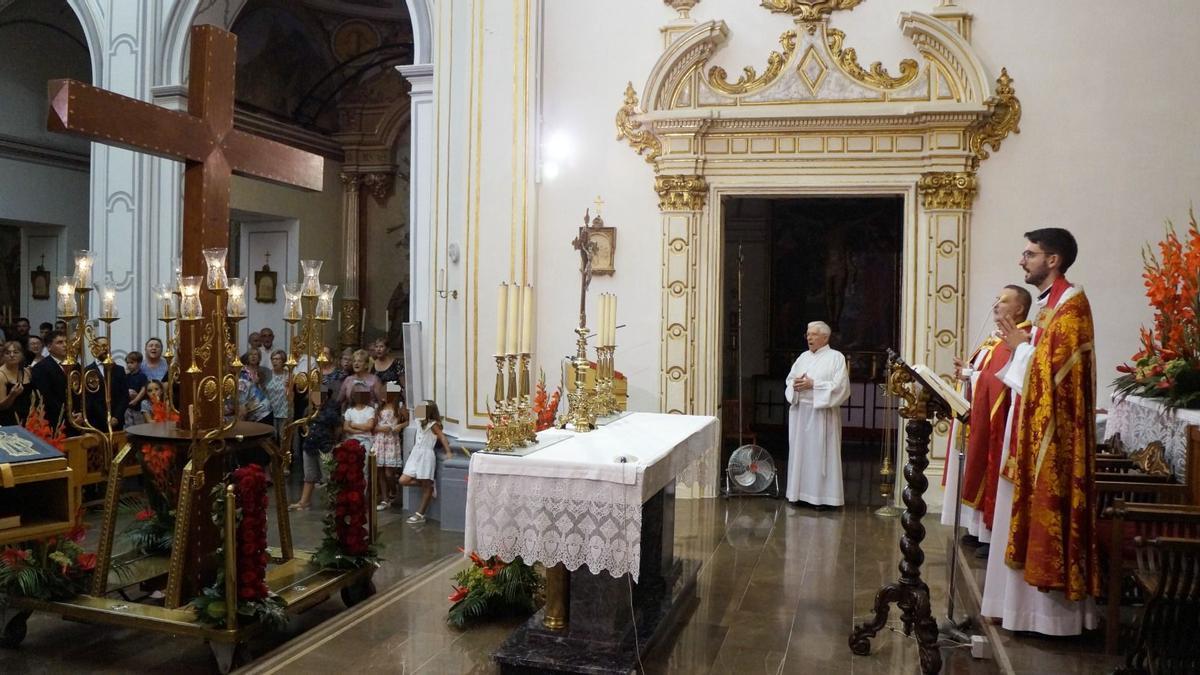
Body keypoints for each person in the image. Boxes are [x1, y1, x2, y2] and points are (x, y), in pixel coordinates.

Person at [982, 227, 1099, 636]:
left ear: (1053, 260)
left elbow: (1058, 377)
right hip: (1028, 422)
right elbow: (1039, 364)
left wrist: (1020, 346)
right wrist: (1022, 345)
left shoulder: (1071, 307)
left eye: (1030, 254)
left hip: (1053, 436)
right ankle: (1011, 607)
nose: (1022, 260)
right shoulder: (1050, 306)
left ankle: (1045, 619)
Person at [941, 285, 1032, 556]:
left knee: (990, 470)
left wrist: (974, 377)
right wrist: (968, 373)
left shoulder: (1021, 339)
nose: (996, 304)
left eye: (1002, 300)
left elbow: (1004, 383)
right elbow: (986, 375)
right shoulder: (996, 339)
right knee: (976, 466)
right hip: (980, 416)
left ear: (1019, 308)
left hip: (1000, 423)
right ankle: (977, 529)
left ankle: (991, 535)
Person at [783, 321, 850, 508]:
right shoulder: (803, 357)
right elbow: (790, 380)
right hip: (801, 414)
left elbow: (841, 387)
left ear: (825, 337)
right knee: (800, 454)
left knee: (820, 456)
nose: (809, 338)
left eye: (813, 334)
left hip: (822, 415)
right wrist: (795, 384)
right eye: (808, 334)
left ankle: (823, 498)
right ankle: (798, 494)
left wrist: (814, 385)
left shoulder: (836, 358)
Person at [290, 346, 344, 511]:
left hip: (325, 446)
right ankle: (304, 501)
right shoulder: (308, 410)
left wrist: (334, 441)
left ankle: (334, 502)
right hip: (309, 445)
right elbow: (304, 425)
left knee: (328, 475)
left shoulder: (330, 411)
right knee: (309, 475)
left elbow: (338, 427)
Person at [400, 400, 453, 523]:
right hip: (416, 454)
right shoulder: (418, 422)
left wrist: (448, 452)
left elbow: (442, 437)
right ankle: (429, 485)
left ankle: (420, 514)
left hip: (426, 456)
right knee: (403, 480)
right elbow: (417, 436)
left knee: (426, 487)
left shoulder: (433, 425)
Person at [83, 337, 129, 431]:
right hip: (96, 422)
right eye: (102, 346)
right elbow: (89, 398)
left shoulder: (119, 370)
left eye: (107, 346)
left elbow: (124, 396)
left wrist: (116, 417)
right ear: (94, 349)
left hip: (117, 422)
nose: (106, 349)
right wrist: (105, 418)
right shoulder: (87, 371)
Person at [31, 330, 70, 432]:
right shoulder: (41, 368)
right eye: (60, 342)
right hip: (55, 420)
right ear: (49, 347)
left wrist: (79, 412)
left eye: (66, 342)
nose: (65, 345)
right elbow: (47, 397)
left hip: (77, 419)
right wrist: (68, 414)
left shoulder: (75, 365)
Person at [373, 394, 407, 510]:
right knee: (380, 471)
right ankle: (384, 499)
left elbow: (409, 421)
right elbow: (373, 425)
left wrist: (400, 426)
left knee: (389, 472)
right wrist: (379, 428)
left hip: (391, 441)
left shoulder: (400, 406)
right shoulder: (379, 407)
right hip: (379, 440)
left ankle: (393, 490)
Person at [0, 341, 32, 426]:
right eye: (7, 353)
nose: (12, 355)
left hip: (28, 418)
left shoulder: (27, 372)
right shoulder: (1, 375)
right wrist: (12, 395)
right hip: (8, 420)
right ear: (3, 356)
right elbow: (1, 407)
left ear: (21, 355)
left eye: (16, 352)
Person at [265, 349, 291, 444]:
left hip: (284, 410)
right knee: (271, 437)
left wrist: (289, 386)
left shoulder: (289, 375)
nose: (274, 361)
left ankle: (283, 454)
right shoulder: (267, 374)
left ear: (283, 361)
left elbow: (292, 395)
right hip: (270, 410)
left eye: (277, 359)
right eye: (273, 359)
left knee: (283, 437)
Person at [342, 383, 377, 452]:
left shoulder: (370, 410)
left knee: (366, 453)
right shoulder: (349, 411)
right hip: (351, 439)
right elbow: (346, 427)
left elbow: (369, 426)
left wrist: (353, 425)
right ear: (353, 396)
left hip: (366, 439)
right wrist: (359, 431)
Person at [369, 337, 404, 404]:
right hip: (379, 400)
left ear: (387, 349)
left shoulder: (396, 363)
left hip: (395, 399)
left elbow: (403, 384)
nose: (378, 349)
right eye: (376, 347)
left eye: (381, 347)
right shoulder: (373, 365)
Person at [124, 350, 149, 429]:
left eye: (132, 363)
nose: (129, 365)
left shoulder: (142, 376)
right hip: (128, 406)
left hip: (138, 407)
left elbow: (143, 389)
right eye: (127, 363)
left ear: (139, 363)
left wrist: (136, 400)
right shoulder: (127, 376)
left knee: (139, 427)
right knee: (128, 426)